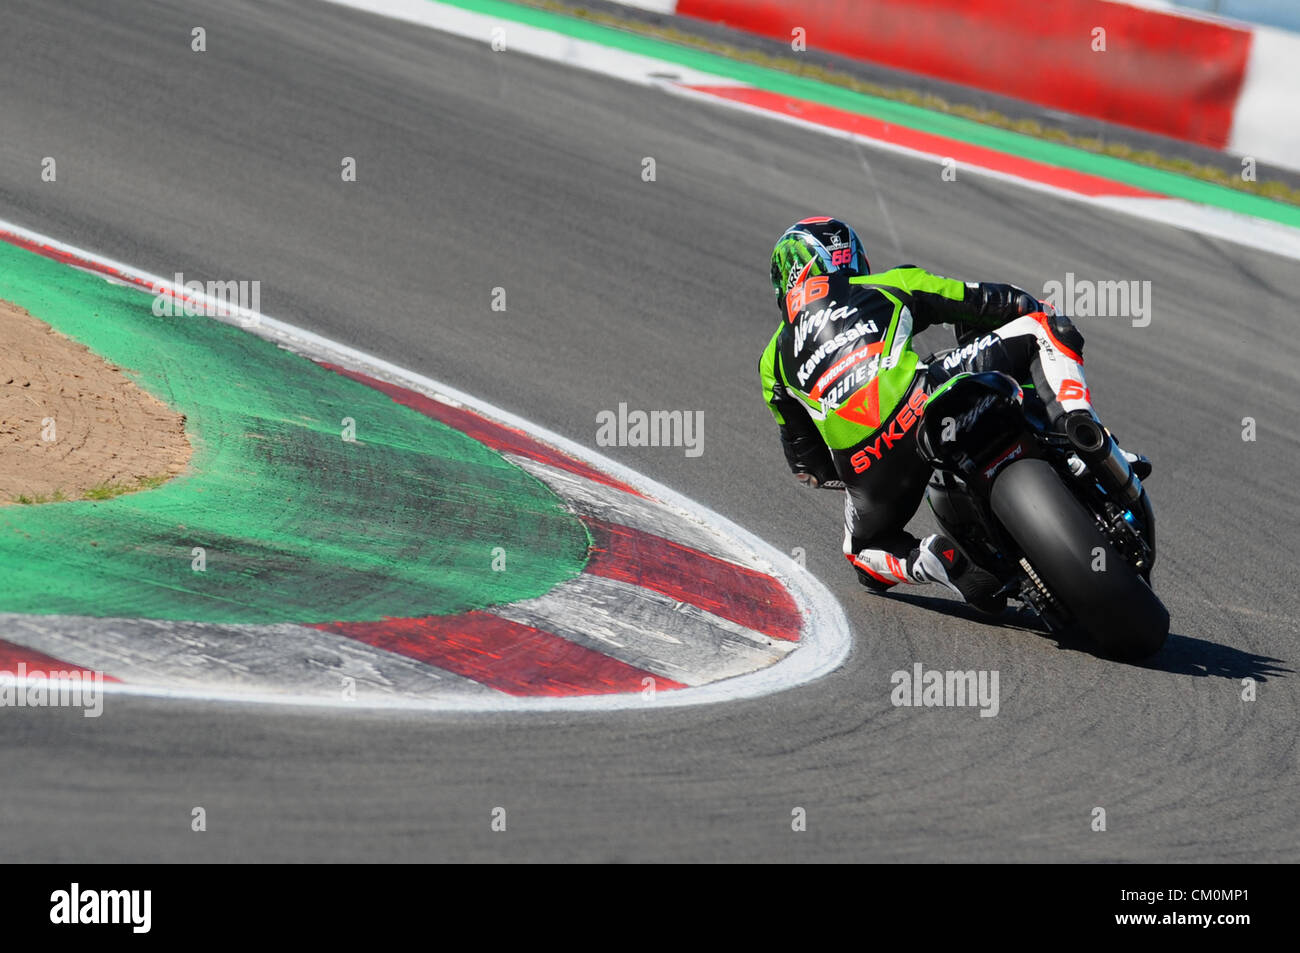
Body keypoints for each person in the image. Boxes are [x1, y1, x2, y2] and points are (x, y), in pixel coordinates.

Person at [760, 216, 1149, 613]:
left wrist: (857, 467)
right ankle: (1083, 434)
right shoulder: (889, 283)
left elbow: (808, 468)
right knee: (1042, 327)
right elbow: (986, 301)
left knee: (861, 551)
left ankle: (926, 561)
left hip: (866, 469)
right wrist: (1030, 307)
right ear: (848, 258)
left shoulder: (772, 360)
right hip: (920, 401)